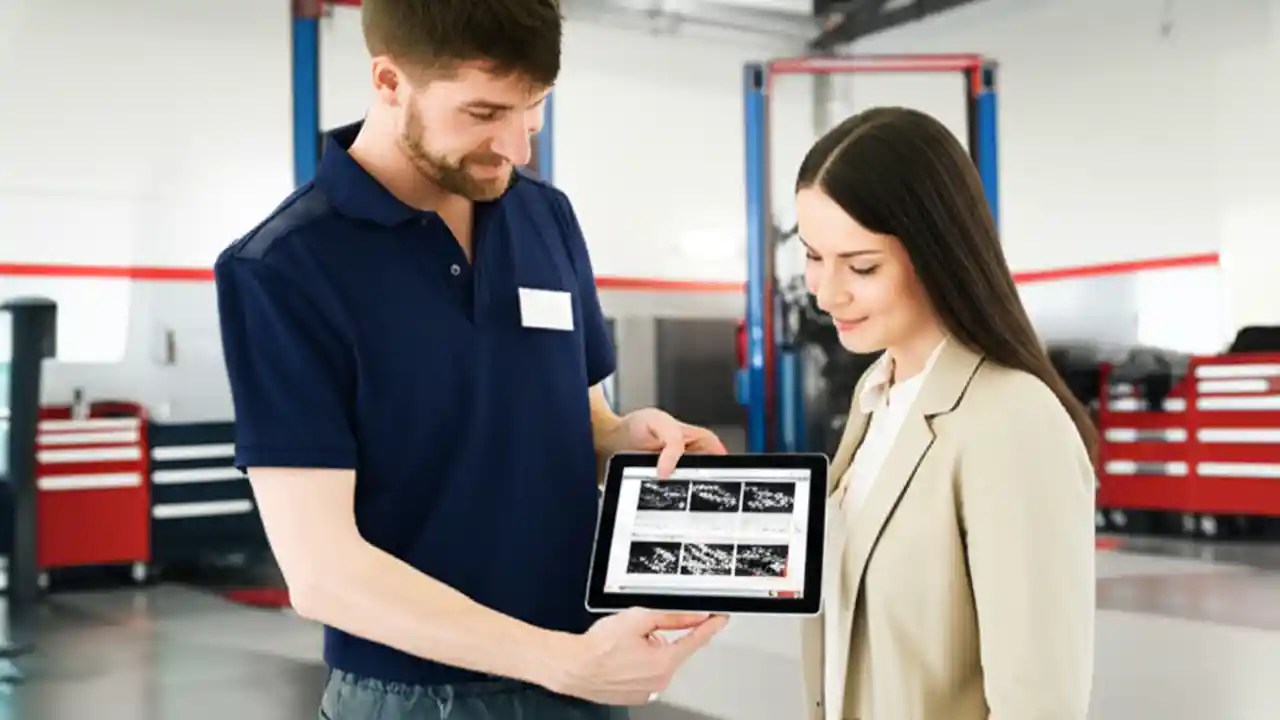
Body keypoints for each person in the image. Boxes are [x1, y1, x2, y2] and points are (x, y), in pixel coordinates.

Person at [211, 1, 728, 718]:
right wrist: (561, 660)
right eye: (484, 112)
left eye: (534, 108)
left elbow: (584, 420)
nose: (517, 147)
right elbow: (323, 572)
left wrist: (627, 440)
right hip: (416, 697)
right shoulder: (282, 268)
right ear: (389, 81)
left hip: (581, 675)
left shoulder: (546, 216)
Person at [792, 107, 1098, 720]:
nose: (826, 293)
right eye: (812, 257)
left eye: (862, 266)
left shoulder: (1011, 420)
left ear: (936, 253)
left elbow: (1038, 704)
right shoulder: (877, 394)